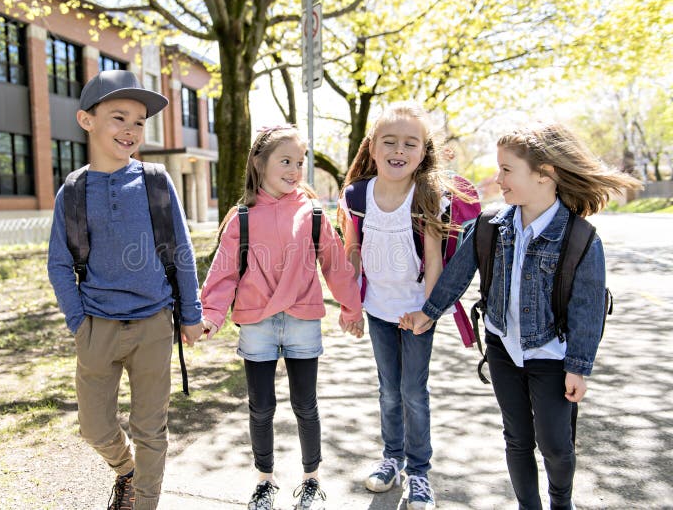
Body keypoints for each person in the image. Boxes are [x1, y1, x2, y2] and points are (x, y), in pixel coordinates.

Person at [406, 122, 642, 510]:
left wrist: (579, 367)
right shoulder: (491, 225)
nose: (498, 179)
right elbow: (457, 275)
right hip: (503, 349)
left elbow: (587, 309)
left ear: (545, 175)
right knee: (516, 438)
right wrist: (428, 313)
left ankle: (560, 503)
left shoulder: (581, 238)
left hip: (552, 356)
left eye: (506, 170)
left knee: (555, 443)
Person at [47, 70, 204, 510]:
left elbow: (182, 251)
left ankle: (144, 503)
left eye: (138, 121)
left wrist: (189, 314)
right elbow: (59, 263)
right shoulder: (73, 191)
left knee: (150, 428)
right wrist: (80, 324)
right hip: (97, 325)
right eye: (119, 117)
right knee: (94, 426)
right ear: (86, 120)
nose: (130, 129)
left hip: (154, 323)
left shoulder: (155, 181)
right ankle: (126, 470)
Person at [199, 124, 365, 510]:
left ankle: (311, 481)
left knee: (305, 405)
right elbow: (224, 273)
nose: (294, 170)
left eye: (300, 162)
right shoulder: (241, 217)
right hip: (256, 324)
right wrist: (210, 315)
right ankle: (264, 481)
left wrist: (351, 309)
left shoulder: (313, 213)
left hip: (303, 321)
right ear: (259, 163)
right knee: (261, 407)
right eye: (285, 161)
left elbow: (336, 267)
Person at [337, 101, 469, 510]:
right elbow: (352, 252)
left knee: (413, 391)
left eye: (410, 143)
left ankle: (420, 472)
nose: (399, 149)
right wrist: (351, 306)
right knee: (388, 391)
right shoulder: (356, 195)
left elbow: (433, 260)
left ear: (423, 150)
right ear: (372, 148)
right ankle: (391, 459)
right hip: (378, 309)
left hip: (416, 312)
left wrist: (428, 314)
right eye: (389, 141)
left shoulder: (426, 196)